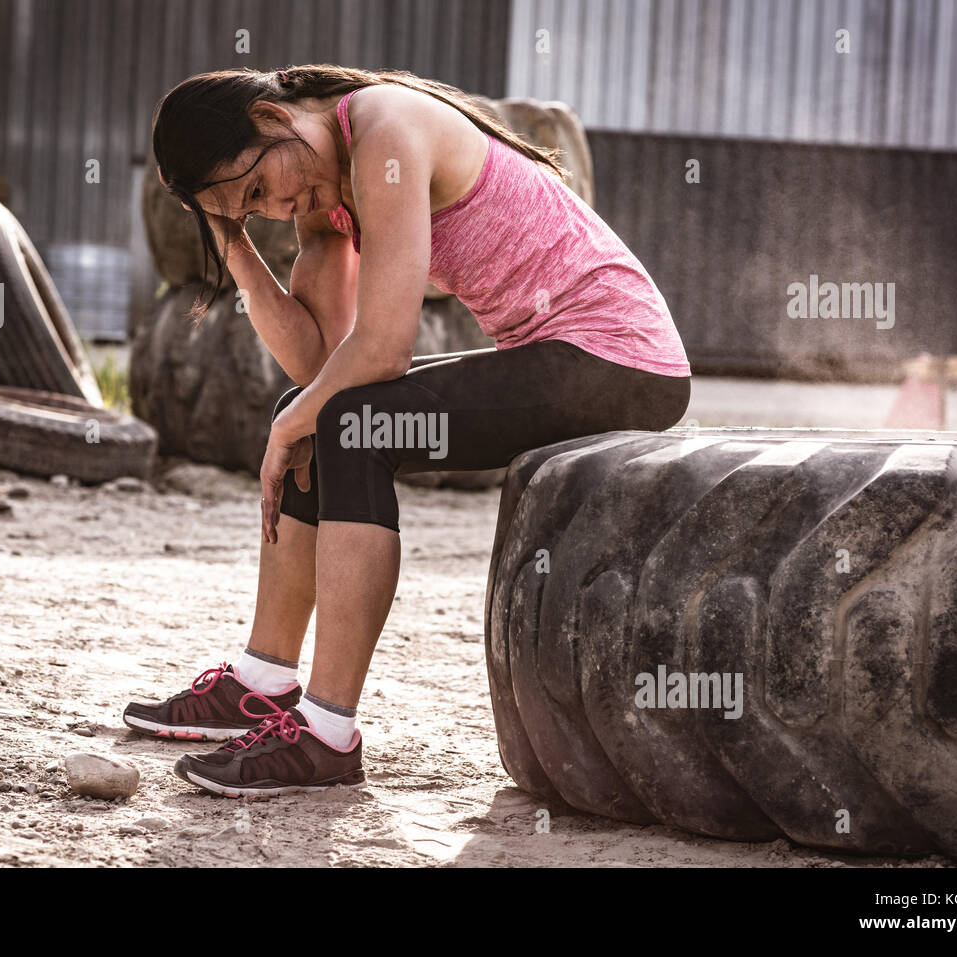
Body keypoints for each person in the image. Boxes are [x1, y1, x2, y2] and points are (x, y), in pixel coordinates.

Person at [124, 64, 692, 798]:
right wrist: (232, 242)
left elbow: (384, 348)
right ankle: (262, 681)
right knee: (321, 414)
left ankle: (327, 732)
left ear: (270, 118)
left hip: (619, 357)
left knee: (354, 425)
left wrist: (301, 418)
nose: (275, 206)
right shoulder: (323, 189)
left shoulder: (385, 130)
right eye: (251, 210)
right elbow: (318, 360)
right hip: (558, 354)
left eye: (259, 190)